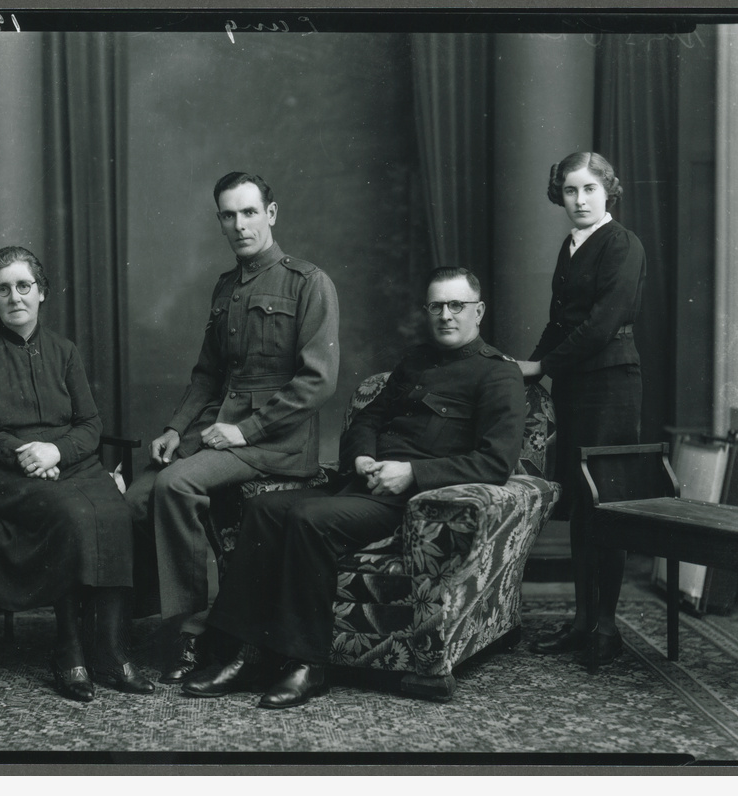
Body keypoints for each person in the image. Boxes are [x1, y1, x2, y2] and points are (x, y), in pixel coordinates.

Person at [181, 267, 525, 708]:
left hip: (415, 503)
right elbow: (368, 419)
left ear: (478, 311)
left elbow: (495, 462)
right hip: (362, 484)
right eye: (436, 306)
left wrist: (412, 474)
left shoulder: (499, 376)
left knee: (309, 519)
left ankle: (308, 665)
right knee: (266, 509)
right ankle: (245, 654)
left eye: (456, 305)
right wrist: (361, 456)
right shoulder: (415, 361)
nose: (445, 315)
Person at [123, 172, 340, 684]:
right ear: (220, 220)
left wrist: (248, 431)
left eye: (249, 212)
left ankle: (196, 634)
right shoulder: (227, 288)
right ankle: (154, 618)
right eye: (228, 215)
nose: (240, 225)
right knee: (137, 495)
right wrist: (177, 428)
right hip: (222, 428)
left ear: (271, 213)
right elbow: (208, 374)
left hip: (279, 440)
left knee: (177, 484)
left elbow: (318, 381)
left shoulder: (309, 282)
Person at [0, 246, 153, 702]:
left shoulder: (63, 350)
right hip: (7, 472)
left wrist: (56, 449)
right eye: (3, 289)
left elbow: (91, 423)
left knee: (117, 513)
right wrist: (21, 450)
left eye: (24, 287)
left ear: (41, 293)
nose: (14, 297)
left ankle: (115, 653)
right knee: (72, 514)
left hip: (69, 461)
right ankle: (70, 651)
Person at [516, 152, 646, 667]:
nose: (580, 200)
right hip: (575, 382)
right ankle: (581, 620)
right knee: (579, 501)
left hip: (611, 383)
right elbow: (560, 320)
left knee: (604, 501)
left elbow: (600, 325)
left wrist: (542, 365)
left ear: (607, 191)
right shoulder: (572, 245)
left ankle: (607, 628)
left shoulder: (622, 244)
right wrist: (526, 367)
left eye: (589, 189)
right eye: (570, 191)